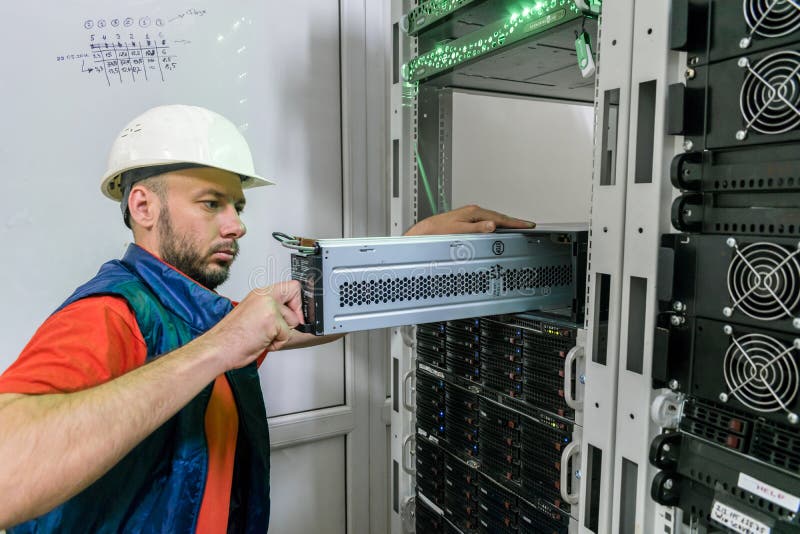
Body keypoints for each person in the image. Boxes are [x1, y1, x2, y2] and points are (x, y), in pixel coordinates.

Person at [0, 105, 534, 532]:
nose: (237, 225)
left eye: (237, 207)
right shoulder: (111, 314)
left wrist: (411, 249)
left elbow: (312, 316)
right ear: (143, 207)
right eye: (211, 203)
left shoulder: (191, 313)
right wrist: (222, 345)